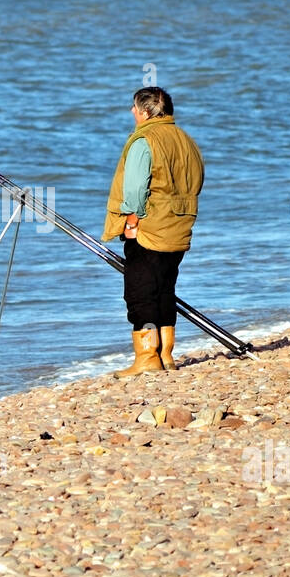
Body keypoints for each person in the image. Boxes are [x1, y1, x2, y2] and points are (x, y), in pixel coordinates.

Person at [102, 87, 205, 377]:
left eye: (134, 108)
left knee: (140, 294)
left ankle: (147, 356)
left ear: (145, 112)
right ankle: (166, 355)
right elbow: (197, 180)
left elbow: (135, 189)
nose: (132, 113)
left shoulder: (144, 140)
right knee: (164, 290)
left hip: (148, 230)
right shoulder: (187, 140)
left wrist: (132, 222)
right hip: (179, 227)